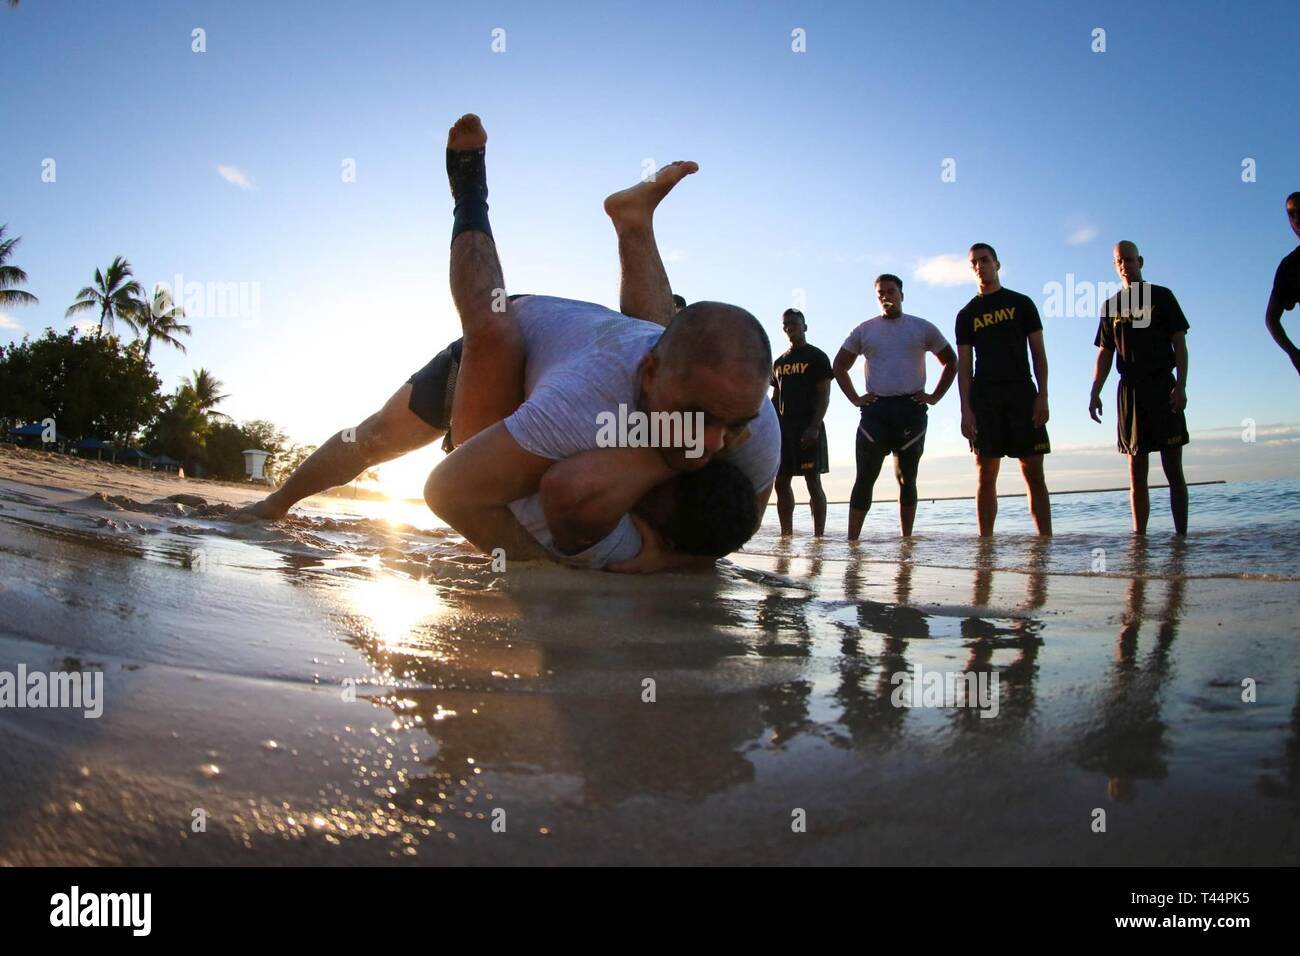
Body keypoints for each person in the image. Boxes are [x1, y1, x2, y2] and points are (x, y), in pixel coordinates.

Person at [242, 114, 778, 572]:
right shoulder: (579, 404)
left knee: (674, 344)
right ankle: (469, 190)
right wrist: (541, 574)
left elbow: (739, 528)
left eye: (733, 424)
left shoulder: (750, 424)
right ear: (649, 376)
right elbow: (448, 492)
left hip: (600, 345)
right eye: (698, 417)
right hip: (521, 330)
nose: (710, 444)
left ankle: (632, 222)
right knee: (404, 414)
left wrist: (679, 559)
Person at [833, 274, 956, 538]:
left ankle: (906, 541)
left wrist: (934, 396)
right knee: (865, 478)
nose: (886, 296)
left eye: (891, 291)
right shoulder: (864, 330)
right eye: (881, 293)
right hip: (876, 411)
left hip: (910, 409)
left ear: (902, 294)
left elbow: (951, 361)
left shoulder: (921, 327)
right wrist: (855, 398)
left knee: (907, 478)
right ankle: (852, 541)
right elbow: (839, 365)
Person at [1088, 241, 1190, 535]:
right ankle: (1139, 540)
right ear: (1115, 265)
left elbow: (1180, 345)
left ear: (1140, 261)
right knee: (1136, 474)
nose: (1125, 265)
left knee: (1174, 470)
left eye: (1129, 259)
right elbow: (1105, 353)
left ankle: (1181, 538)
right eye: (1119, 261)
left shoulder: (1162, 296)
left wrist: (1181, 385)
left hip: (1162, 386)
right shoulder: (1111, 306)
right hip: (1129, 391)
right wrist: (1095, 391)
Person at [955, 243, 1052, 536]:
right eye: (974, 262)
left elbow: (1038, 354)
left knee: (1033, 472)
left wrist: (1042, 396)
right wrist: (966, 410)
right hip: (986, 399)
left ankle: (1045, 543)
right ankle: (986, 546)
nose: (980, 266)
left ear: (997, 264)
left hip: (1022, 394)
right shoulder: (967, 314)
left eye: (985, 260)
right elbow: (964, 366)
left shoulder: (1021, 304)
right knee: (986, 474)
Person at [770, 308, 831, 536]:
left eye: (794, 323)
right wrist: (772, 428)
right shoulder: (779, 363)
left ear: (804, 327)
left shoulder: (817, 357)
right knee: (781, 482)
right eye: (786, 324)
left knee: (812, 482)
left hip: (809, 427)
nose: (789, 327)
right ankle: (786, 536)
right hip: (785, 430)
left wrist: (814, 425)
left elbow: (824, 394)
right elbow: (775, 399)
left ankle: (819, 538)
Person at [1265, 191, 1300, 375]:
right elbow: (1271, 317)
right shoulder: (1292, 266)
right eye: (1291, 214)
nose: (1296, 218)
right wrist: (1293, 353)